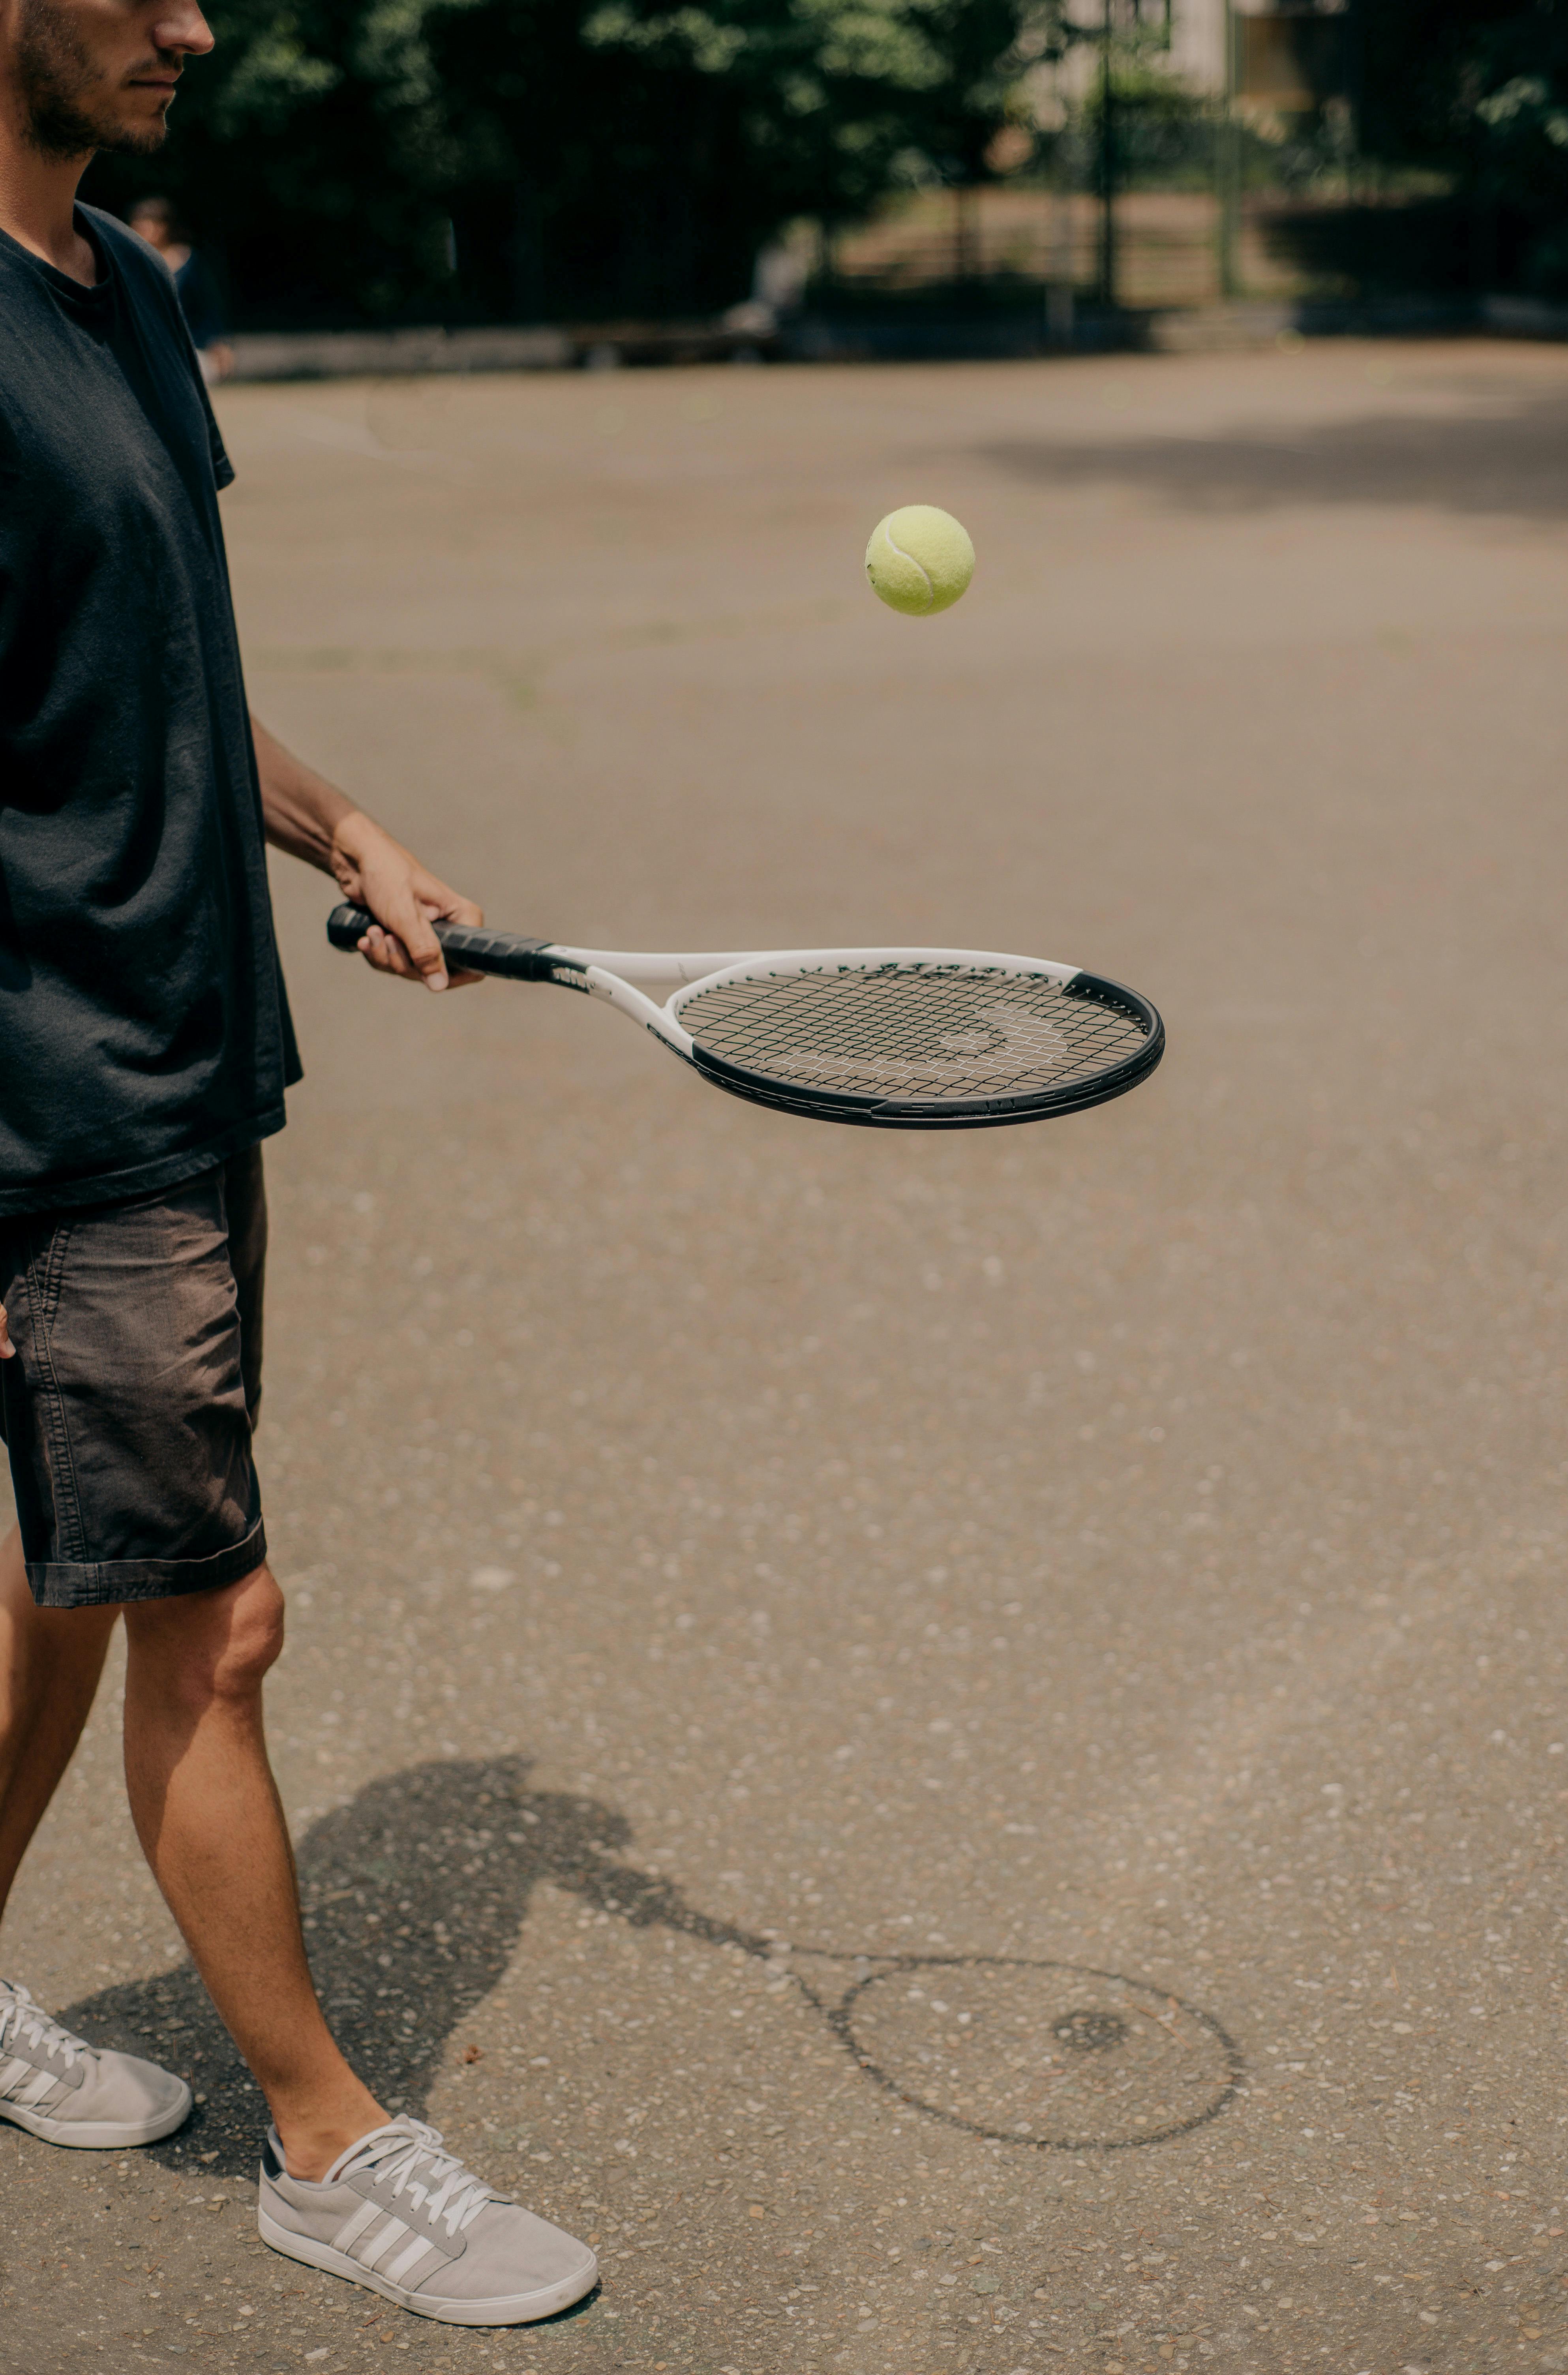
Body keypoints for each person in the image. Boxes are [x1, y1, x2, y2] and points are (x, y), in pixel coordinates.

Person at [0, 0, 598, 2330]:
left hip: (179, 1049)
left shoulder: (124, 285)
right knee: (212, 1620)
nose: (199, 23)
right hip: (56, 1105)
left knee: (78, 1581)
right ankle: (329, 2141)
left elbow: (153, 656)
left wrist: (342, 821)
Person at [128, 190, 232, 382]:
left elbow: (208, 308)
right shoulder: (130, 263)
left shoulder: (188, 261)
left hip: (188, 348)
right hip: (146, 349)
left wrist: (218, 344)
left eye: (151, 224)